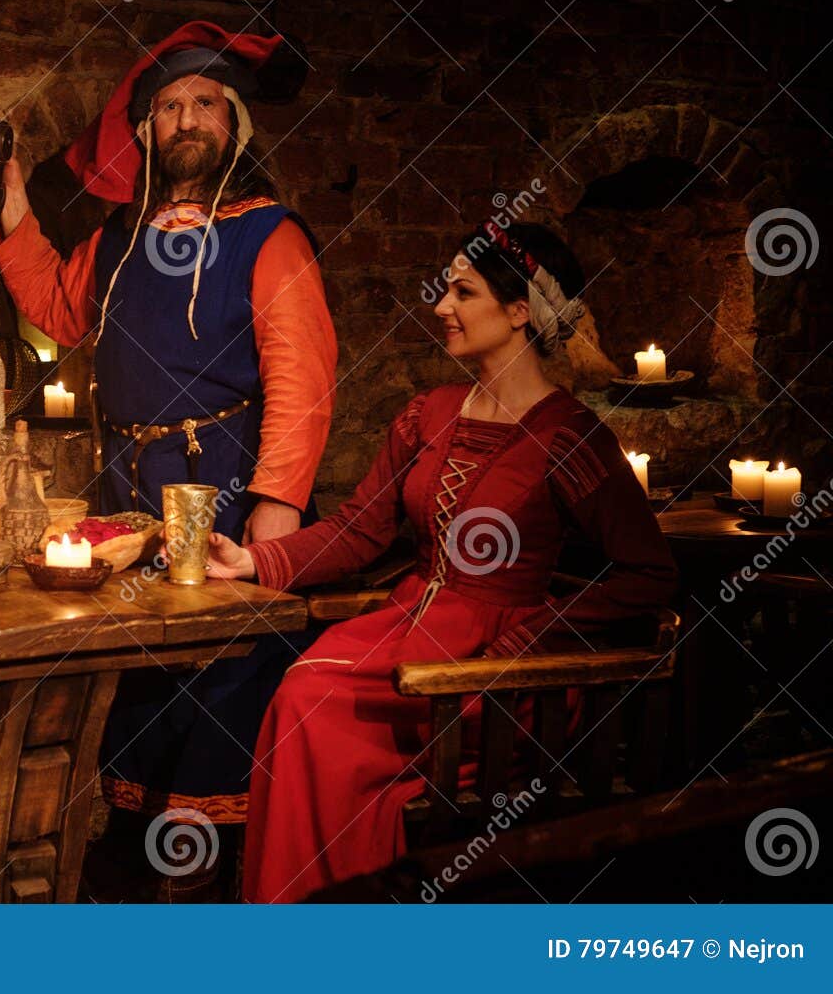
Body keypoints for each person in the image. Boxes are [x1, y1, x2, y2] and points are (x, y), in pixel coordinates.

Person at [205, 222, 680, 901]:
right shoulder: (429, 414)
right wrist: (252, 561)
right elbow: (359, 530)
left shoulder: (570, 437)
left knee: (317, 707)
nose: (440, 305)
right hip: (407, 625)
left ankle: (350, 928)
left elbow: (650, 574)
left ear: (520, 312)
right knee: (301, 691)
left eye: (464, 291)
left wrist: (540, 632)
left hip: (501, 666)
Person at [0, 20, 337, 888]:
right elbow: (57, 311)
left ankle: (211, 896)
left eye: (207, 105)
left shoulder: (270, 237)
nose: (188, 119)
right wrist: (12, 216)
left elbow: (303, 380)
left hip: (228, 492)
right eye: (171, 106)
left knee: (223, 691)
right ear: (147, 131)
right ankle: (138, 886)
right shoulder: (114, 242)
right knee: (144, 693)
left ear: (235, 128)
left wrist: (278, 509)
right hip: (132, 496)